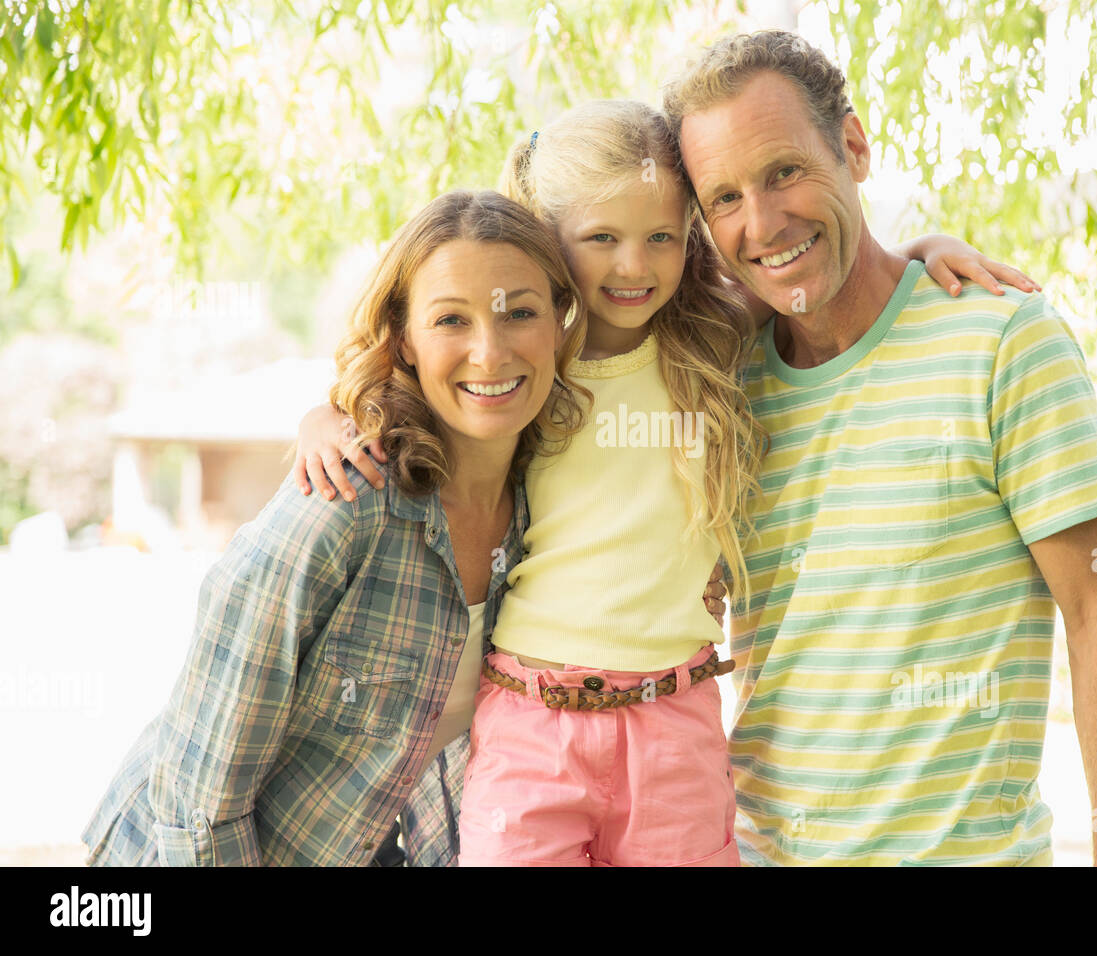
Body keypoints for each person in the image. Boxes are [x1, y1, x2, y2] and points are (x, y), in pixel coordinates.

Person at [292, 99, 1041, 866]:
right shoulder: (530, 357)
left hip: (675, 724)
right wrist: (327, 415)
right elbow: (410, 371)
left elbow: (828, 278)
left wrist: (919, 250)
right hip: (533, 726)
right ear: (550, 241)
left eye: (661, 237)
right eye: (601, 239)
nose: (634, 265)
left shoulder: (715, 334)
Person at [657, 28, 1097, 865]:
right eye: (725, 199)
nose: (764, 221)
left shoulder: (1002, 340)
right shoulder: (716, 387)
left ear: (853, 146)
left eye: (785, 172)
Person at [79, 189, 593, 865]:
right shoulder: (345, 499)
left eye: (519, 312)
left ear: (561, 321)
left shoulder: (543, 511)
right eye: (450, 320)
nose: (490, 352)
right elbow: (198, 796)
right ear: (403, 339)